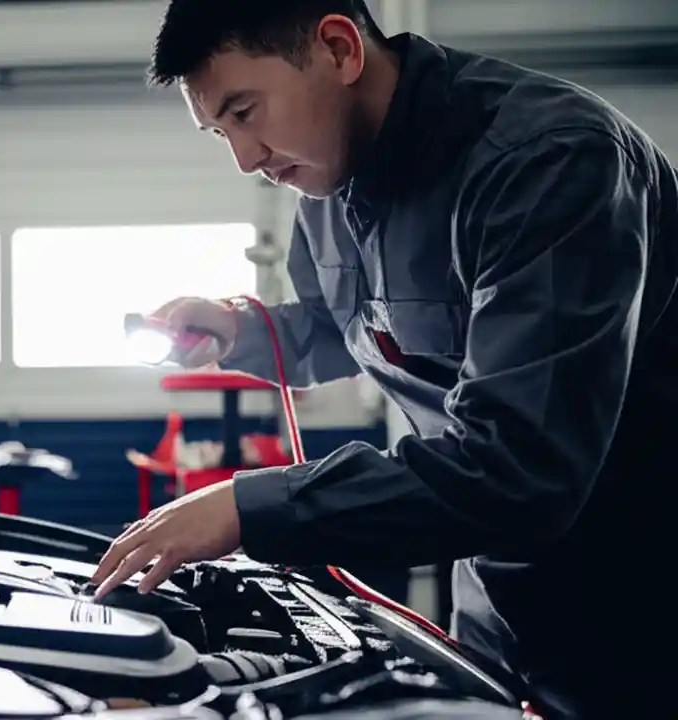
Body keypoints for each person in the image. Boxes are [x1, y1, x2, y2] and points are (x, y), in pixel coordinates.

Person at [88, 2, 676, 717]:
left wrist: (249, 506)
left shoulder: (548, 162)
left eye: (245, 112)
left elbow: (522, 469)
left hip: (638, 608)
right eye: (220, 132)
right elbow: (357, 327)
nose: (246, 159)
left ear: (339, 49)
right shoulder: (327, 183)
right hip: (498, 611)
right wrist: (241, 331)